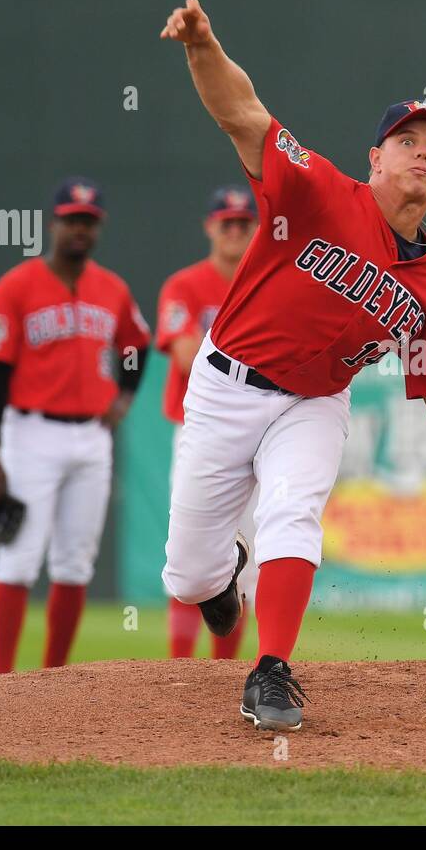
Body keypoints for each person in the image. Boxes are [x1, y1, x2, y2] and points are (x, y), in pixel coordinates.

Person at [158, 0, 426, 731]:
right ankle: (220, 573)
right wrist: (201, 44)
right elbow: (244, 114)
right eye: (407, 139)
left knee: (293, 513)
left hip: (315, 403)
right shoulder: (319, 191)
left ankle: (273, 673)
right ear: (376, 158)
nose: (423, 151)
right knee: (190, 572)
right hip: (227, 382)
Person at [0, 178, 150, 674]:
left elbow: (136, 343)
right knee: (18, 561)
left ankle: (51, 681)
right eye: (72, 219)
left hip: (92, 436)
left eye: (88, 222)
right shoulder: (17, 286)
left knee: (74, 564)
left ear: (98, 228)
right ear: (54, 223)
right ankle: (0, 682)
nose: (80, 230)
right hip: (31, 434)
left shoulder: (111, 289)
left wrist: (126, 396)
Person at [156, 186, 259, 660]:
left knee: (245, 560)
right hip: (198, 429)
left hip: (259, 433)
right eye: (227, 222)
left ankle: (223, 670)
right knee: (191, 547)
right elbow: (182, 353)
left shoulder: (266, 280)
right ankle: (180, 668)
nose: (235, 230)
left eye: (243, 222)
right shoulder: (184, 285)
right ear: (210, 227)